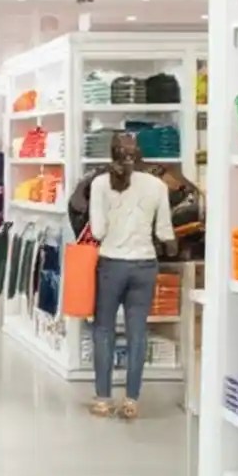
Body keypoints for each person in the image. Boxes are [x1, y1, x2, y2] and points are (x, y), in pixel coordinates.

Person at [87, 133, 176, 419]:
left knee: (104, 330)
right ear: (139, 155)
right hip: (145, 265)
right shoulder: (158, 185)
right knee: (138, 332)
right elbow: (164, 232)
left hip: (112, 264)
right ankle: (132, 400)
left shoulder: (100, 184)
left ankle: (103, 399)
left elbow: (97, 231)